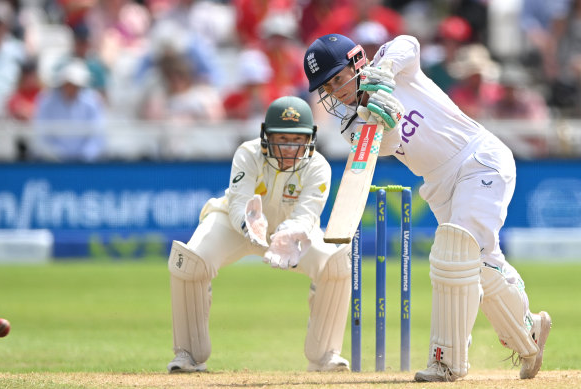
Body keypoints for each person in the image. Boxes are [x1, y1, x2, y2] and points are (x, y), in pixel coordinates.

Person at [303, 33, 551, 382]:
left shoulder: (393, 66)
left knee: (454, 254)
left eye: (339, 79)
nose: (336, 92)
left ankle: (446, 361)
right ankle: (529, 331)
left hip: (477, 161)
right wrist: (384, 119)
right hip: (439, 185)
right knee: (480, 264)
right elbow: (386, 145)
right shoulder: (352, 122)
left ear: (358, 62)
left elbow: (409, 43)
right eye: (327, 87)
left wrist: (385, 73)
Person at [166, 96, 352, 373]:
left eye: (297, 140)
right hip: (234, 226)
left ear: (310, 138)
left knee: (336, 264)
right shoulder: (248, 153)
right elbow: (239, 202)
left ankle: (324, 354)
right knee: (190, 262)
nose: (289, 148)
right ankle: (189, 355)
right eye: (282, 138)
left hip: (291, 236)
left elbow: (307, 215)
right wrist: (249, 223)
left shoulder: (318, 166)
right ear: (266, 136)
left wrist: (288, 234)